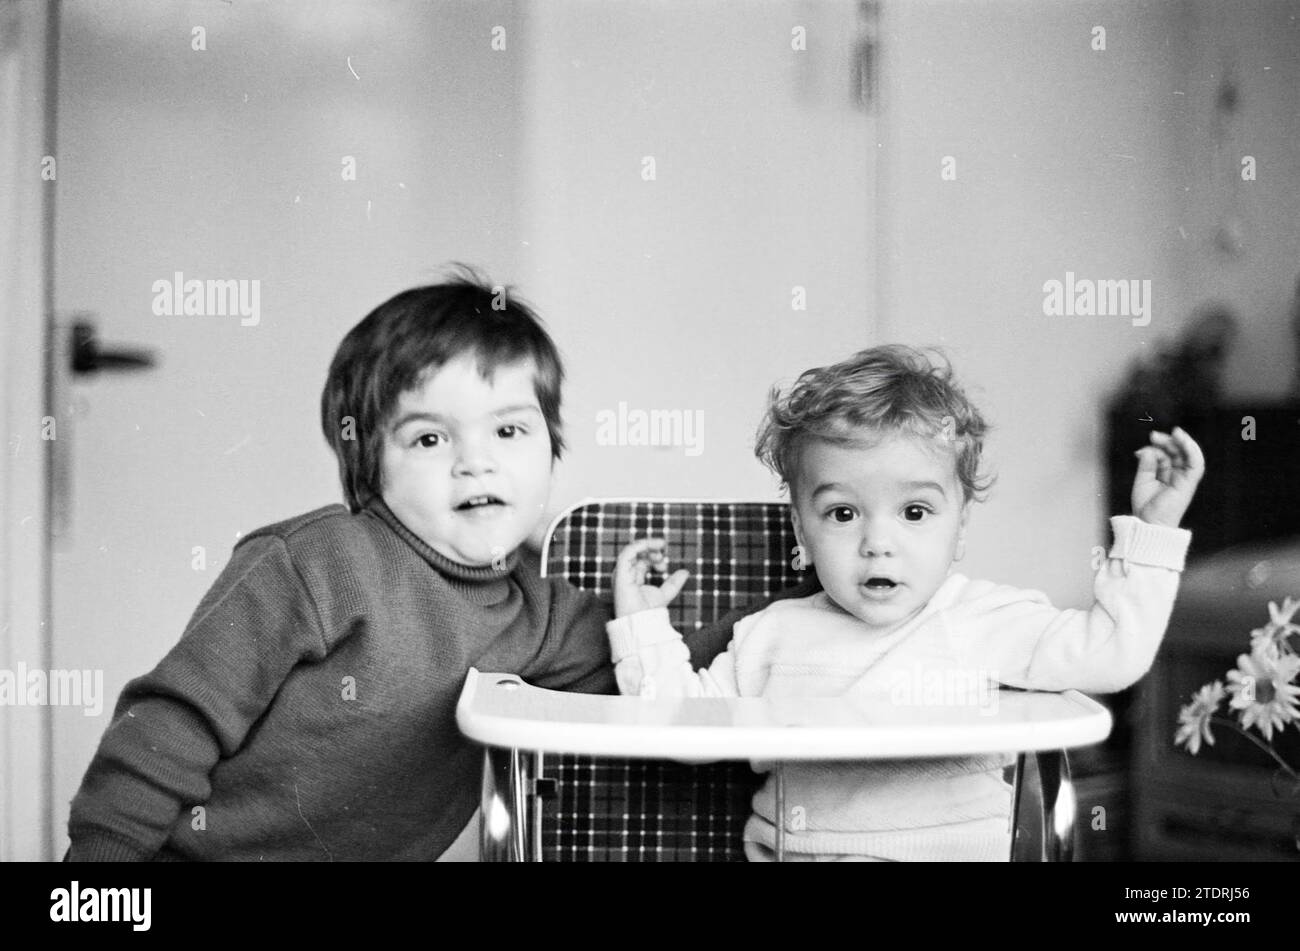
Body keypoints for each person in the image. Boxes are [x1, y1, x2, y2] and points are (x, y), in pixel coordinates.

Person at [66, 267, 615, 861]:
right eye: (430, 440)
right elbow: (172, 722)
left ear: (551, 447)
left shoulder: (543, 616)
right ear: (369, 466)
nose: (476, 463)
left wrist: (650, 623)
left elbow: (667, 678)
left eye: (509, 430)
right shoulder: (318, 564)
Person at [608, 344, 1204, 861]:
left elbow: (1113, 655)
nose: (877, 544)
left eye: (914, 512)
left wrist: (1151, 532)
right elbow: (676, 725)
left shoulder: (983, 620)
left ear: (960, 527)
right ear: (801, 530)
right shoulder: (770, 636)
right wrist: (642, 625)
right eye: (843, 513)